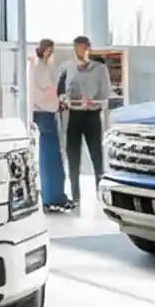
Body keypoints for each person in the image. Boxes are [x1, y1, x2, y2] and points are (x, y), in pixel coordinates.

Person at [61, 36, 112, 205]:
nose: (79, 52)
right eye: (76, 48)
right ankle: (75, 195)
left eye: (81, 48)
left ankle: (100, 193)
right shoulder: (69, 68)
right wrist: (66, 99)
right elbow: (63, 90)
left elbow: (106, 93)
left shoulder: (100, 69)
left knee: (96, 155)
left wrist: (94, 100)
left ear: (88, 48)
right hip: (74, 115)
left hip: (92, 115)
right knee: (72, 155)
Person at [30, 39, 73, 213]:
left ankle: (52, 196)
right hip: (46, 114)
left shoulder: (35, 67)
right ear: (47, 51)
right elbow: (48, 93)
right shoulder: (41, 69)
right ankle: (54, 197)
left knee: (48, 156)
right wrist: (59, 103)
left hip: (42, 113)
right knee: (52, 158)